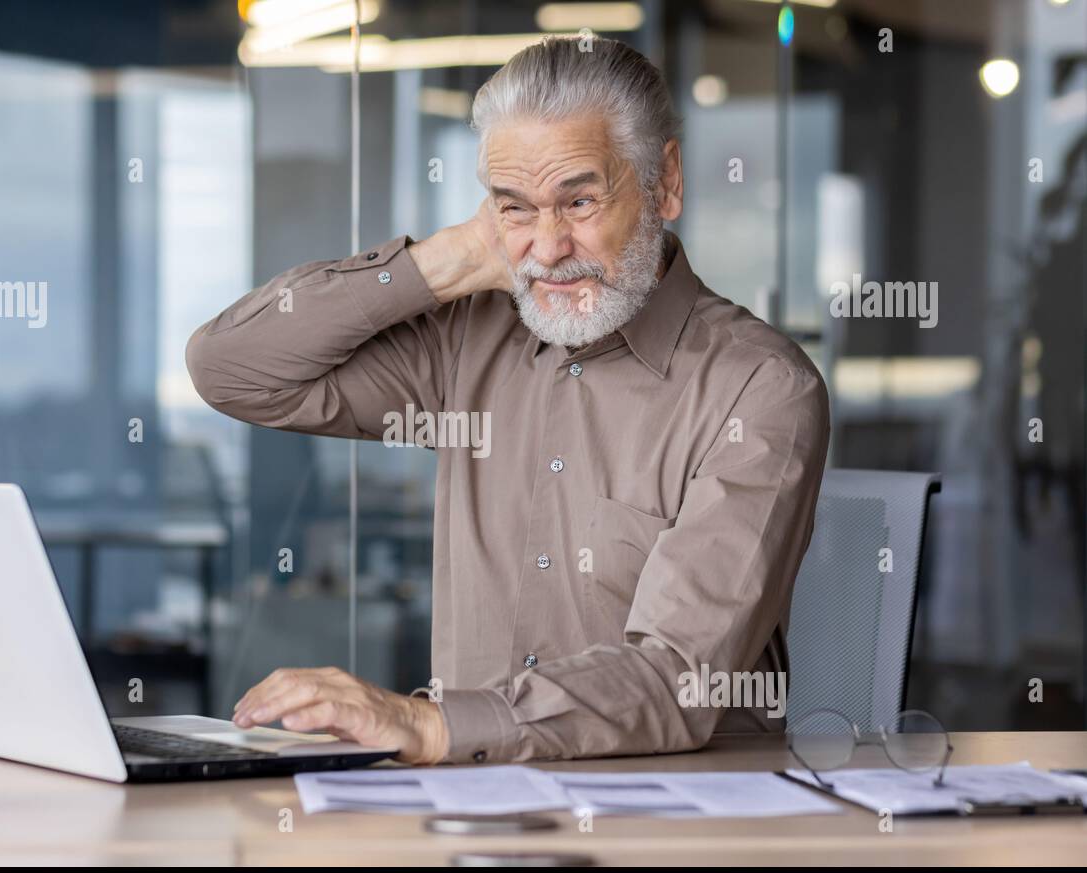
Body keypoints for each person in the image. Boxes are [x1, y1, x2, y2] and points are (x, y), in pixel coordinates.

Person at [186, 36, 830, 765]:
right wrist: (448, 258)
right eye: (516, 208)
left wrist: (430, 726)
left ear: (665, 183)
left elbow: (679, 675)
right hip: (472, 802)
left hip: (672, 810)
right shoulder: (467, 341)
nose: (548, 249)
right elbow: (230, 369)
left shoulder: (760, 387)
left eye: (579, 201)